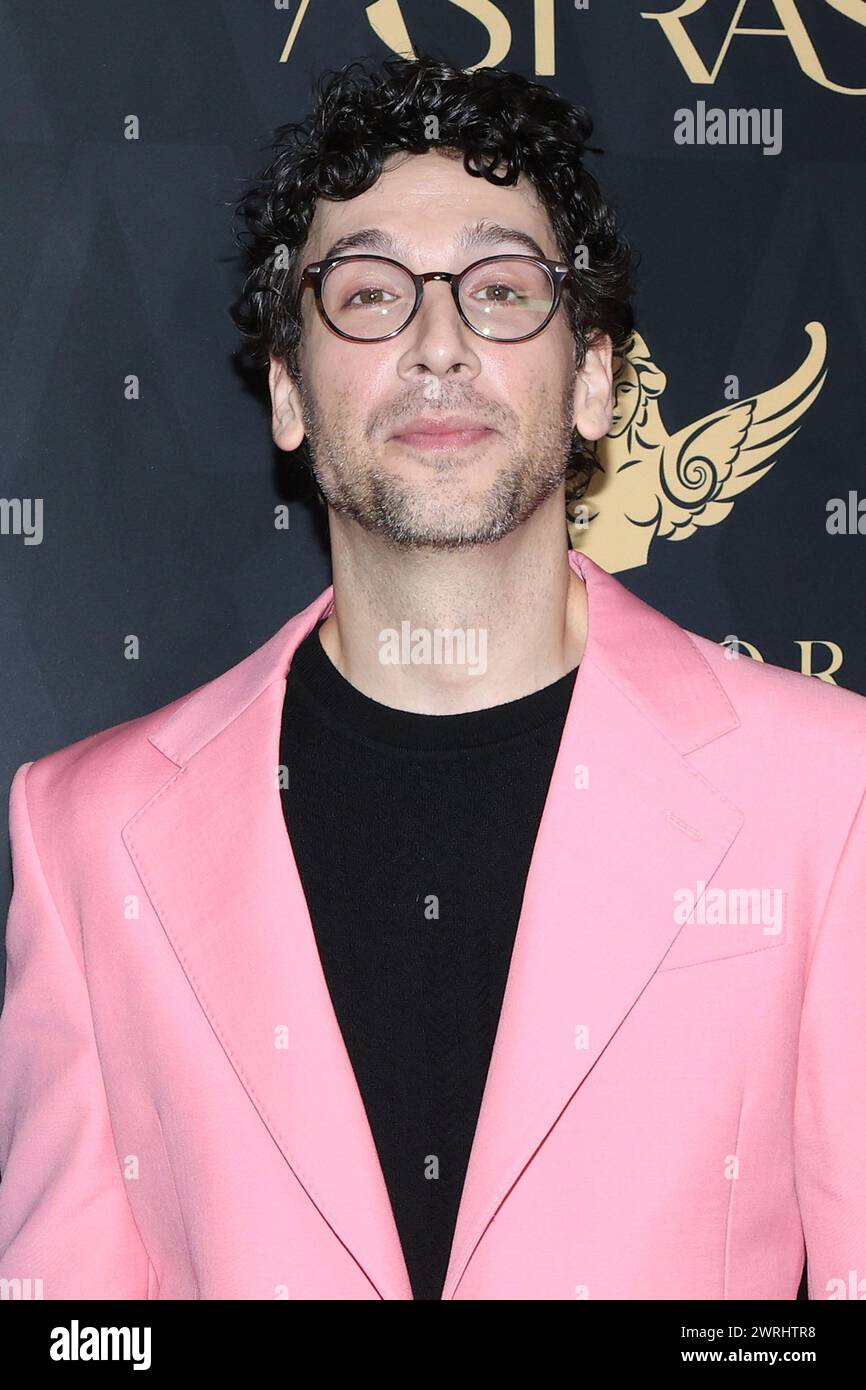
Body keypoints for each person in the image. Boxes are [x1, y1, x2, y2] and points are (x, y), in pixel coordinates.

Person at [0, 54, 864, 1302]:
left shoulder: (823, 793)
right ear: (288, 392)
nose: (439, 343)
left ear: (595, 379)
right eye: (367, 293)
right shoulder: (85, 835)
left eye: (502, 289)